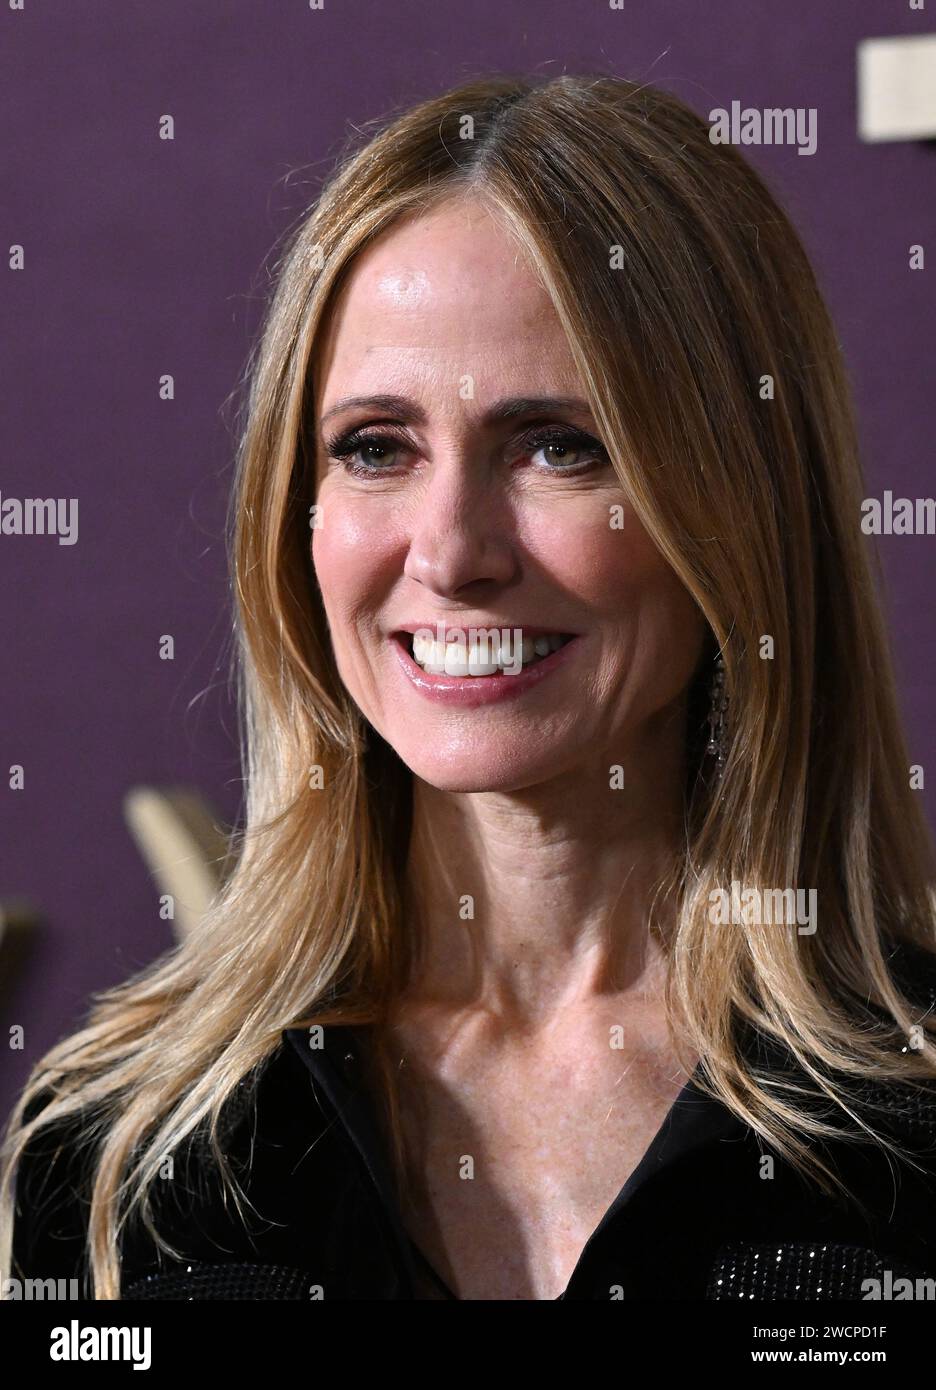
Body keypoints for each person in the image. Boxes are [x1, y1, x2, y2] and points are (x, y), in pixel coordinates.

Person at [3, 72, 936, 1303]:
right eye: (375, 448)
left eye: (559, 445)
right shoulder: (121, 1140)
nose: (448, 551)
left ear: (744, 502)